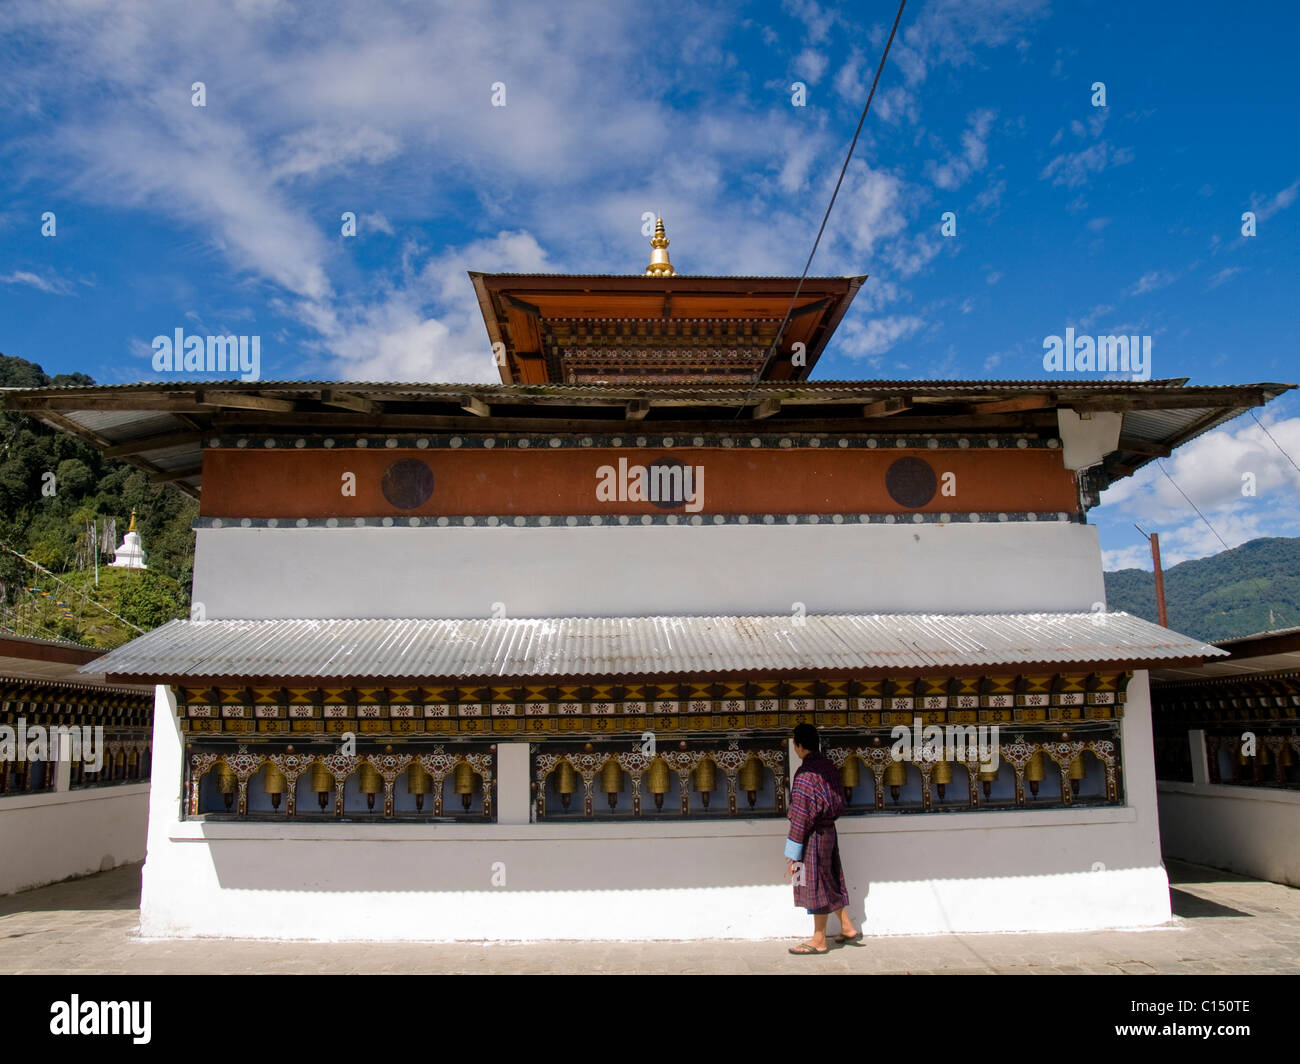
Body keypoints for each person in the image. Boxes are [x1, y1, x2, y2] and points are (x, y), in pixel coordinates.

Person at [784, 723, 862, 954]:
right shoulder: (828, 767)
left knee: (813, 883)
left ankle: (819, 940)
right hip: (828, 832)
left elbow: (800, 815)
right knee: (828, 879)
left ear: (798, 746)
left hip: (812, 837)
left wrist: (792, 853)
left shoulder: (805, 775)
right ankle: (847, 926)